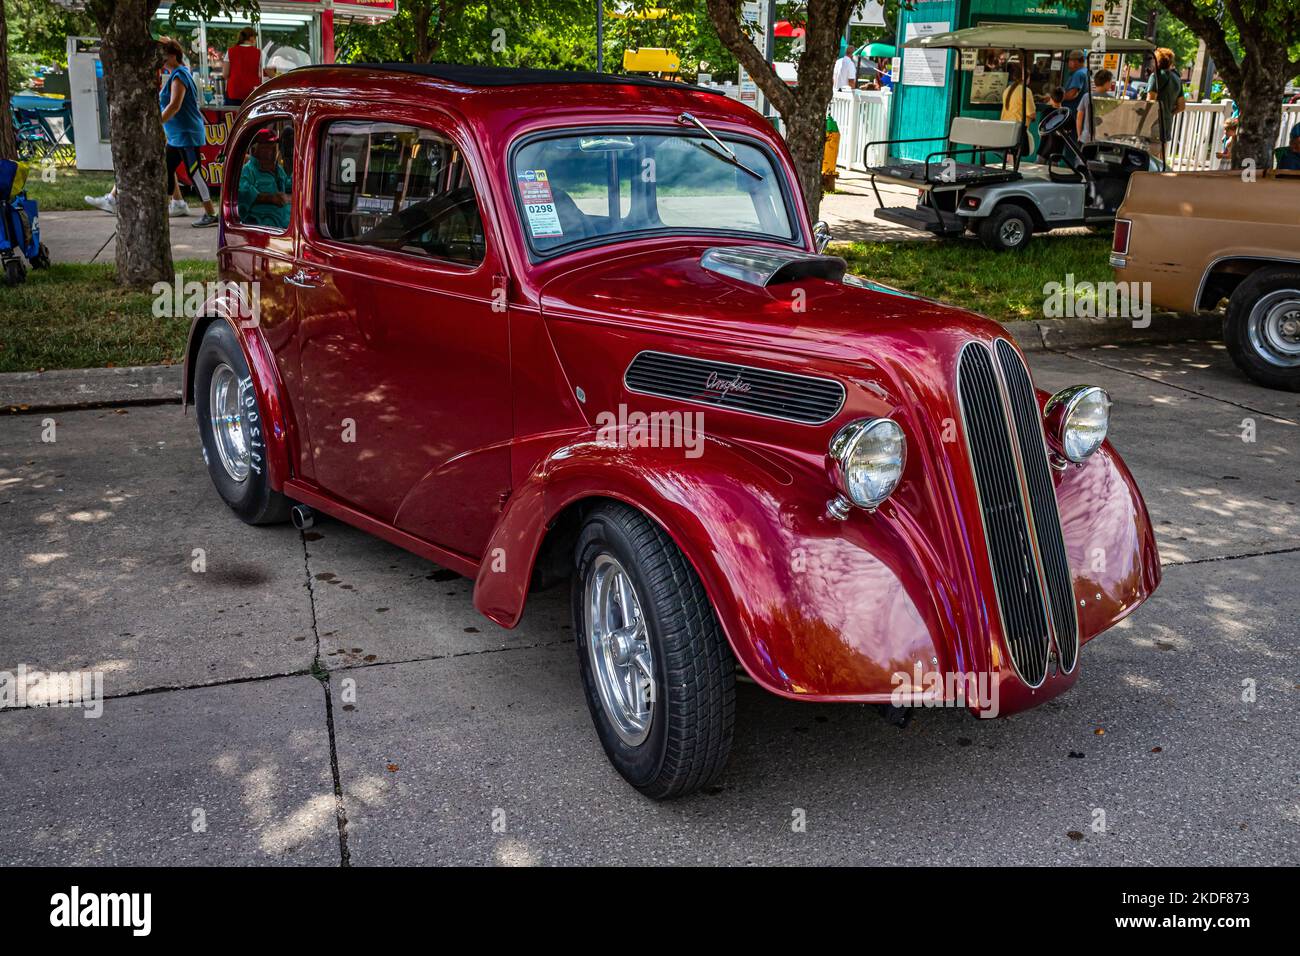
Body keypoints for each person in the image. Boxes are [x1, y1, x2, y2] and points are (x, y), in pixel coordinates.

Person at [159, 37, 218, 227]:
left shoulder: (179, 76)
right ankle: (166, 208)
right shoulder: (178, 74)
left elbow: (175, 105)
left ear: (172, 56)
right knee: (166, 169)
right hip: (177, 137)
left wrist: (156, 123)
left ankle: (211, 213)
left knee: (195, 174)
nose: (160, 59)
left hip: (186, 135)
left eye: (162, 55)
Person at [237, 128, 292, 229]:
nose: (271, 152)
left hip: (286, 221)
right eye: (266, 147)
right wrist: (270, 198)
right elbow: (244, 192)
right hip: (264, 224)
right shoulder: (248, 170)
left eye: (273, 147)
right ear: (255, 150)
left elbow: (287, 184)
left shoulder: (277, 169)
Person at [1145, 47, 1184, 162]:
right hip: (1167, 122)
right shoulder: (1177, 79)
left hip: (1154, 123)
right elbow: (1182, 106)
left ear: (1157, 60)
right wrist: (1169, 113)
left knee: (1148, 159)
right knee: (1161, 160)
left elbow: (1150, 102)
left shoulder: (1156, 76)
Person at [999, 62, 1036, 158]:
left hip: (1005, 128)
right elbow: (1032, 114)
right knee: (1014, 157)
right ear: (1026, 78)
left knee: (1009, 157)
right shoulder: (1026, 91)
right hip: (1018, 131)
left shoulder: (1007, 89)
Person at [223, 26, 265, 106]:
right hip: (252, 92)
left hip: (233, 91)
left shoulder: (230, 51)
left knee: (233, 116)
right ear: (251, 38)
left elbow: (225, 74)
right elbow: (263, 72)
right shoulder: (258, 53)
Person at [1076, 69, 1114, 144]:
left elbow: (1079, 117)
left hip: (1086, 138)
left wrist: (1079, 135)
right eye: (1110, 82)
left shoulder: (1086, 96)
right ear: (1106, 83)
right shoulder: (1112, 100)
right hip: (1103, 139)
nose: (1111, 84)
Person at [1061, 50, 1089, 125]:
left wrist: (1055, 98)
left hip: (1072, 114)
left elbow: (1072, 94)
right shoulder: (1085, 71)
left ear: (1077, 61)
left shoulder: (1078, 74)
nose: (1068, 63)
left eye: (1070, 60)